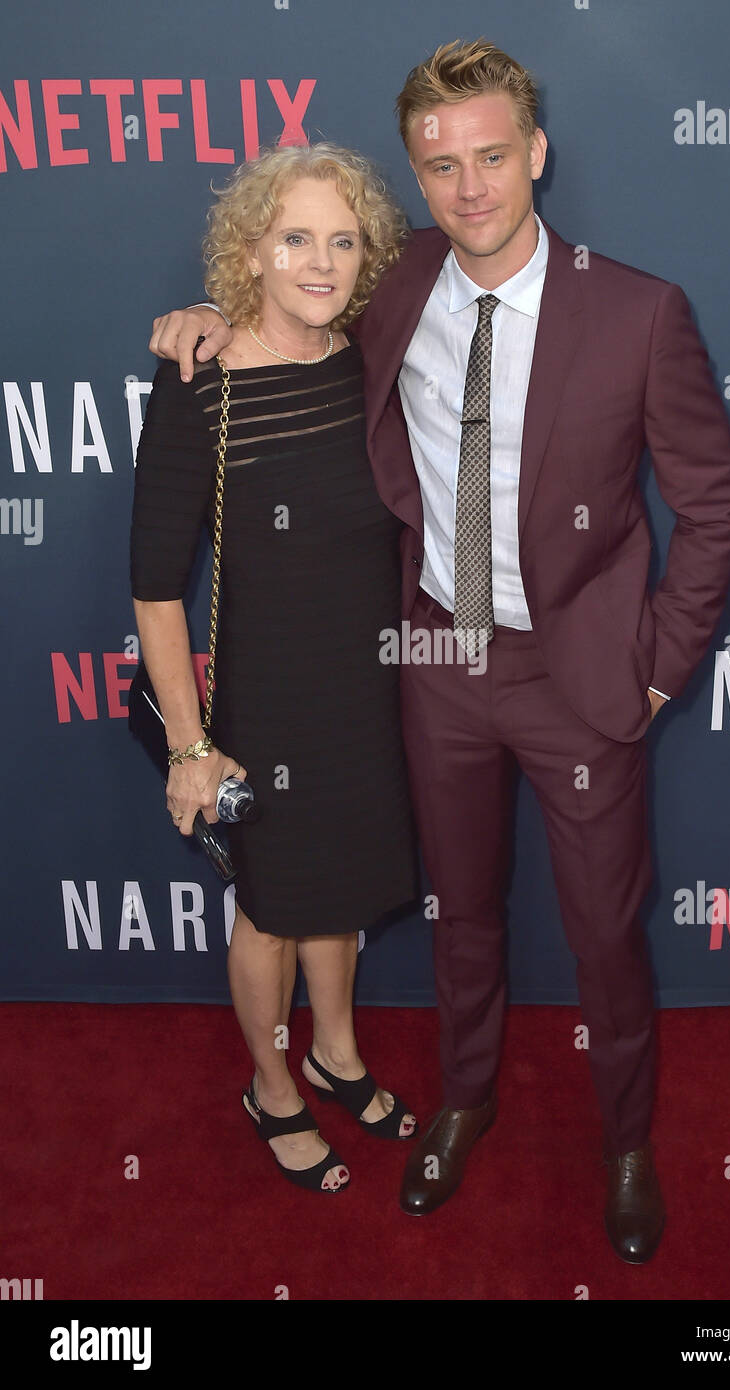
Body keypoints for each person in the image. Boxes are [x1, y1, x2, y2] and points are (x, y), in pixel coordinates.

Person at [148, 39, 730, 1260]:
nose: (468, 188)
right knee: (462, 913)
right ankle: (464, 1099)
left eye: (489, 157)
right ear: (417, 181)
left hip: (583, 680)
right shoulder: (394, 283)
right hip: (436, 666)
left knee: (600, 933)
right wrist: (200, 314)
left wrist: (654, 669)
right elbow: (286, 302)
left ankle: (624, 1139)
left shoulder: (638, 311)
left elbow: (714, 502)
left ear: (533, 153)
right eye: (440, 166)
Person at [131, 141, 418, 1196]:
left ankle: (334, 1053)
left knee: (335, 894)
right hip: (266, 698)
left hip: (368, 690)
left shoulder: (366, 359)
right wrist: (191, 742)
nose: (320, 261)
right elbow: (156, 586)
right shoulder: (196, 381)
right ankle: (270, 1082)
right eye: (295, 237)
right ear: (250, 253)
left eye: (342, 241)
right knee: (272, 905)